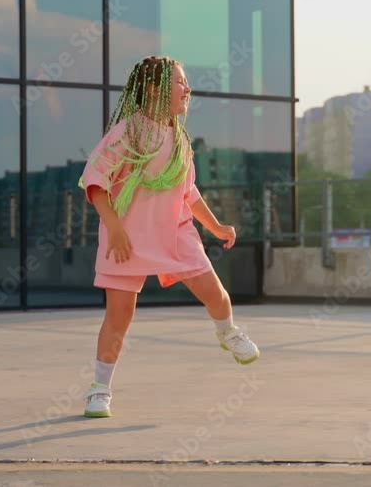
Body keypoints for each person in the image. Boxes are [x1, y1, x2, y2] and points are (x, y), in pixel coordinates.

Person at [76, 55, 260, 418]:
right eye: (180, 82)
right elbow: (95, 180)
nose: (187, 89)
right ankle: (100, 389)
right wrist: (113, 228)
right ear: (154, 90)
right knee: (119, 317)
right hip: (126, 237)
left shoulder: (179, 140)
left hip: (176, 235)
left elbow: (189, 193)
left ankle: (227, 333)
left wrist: (217, 227)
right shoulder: (128, 132)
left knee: (217, 295)